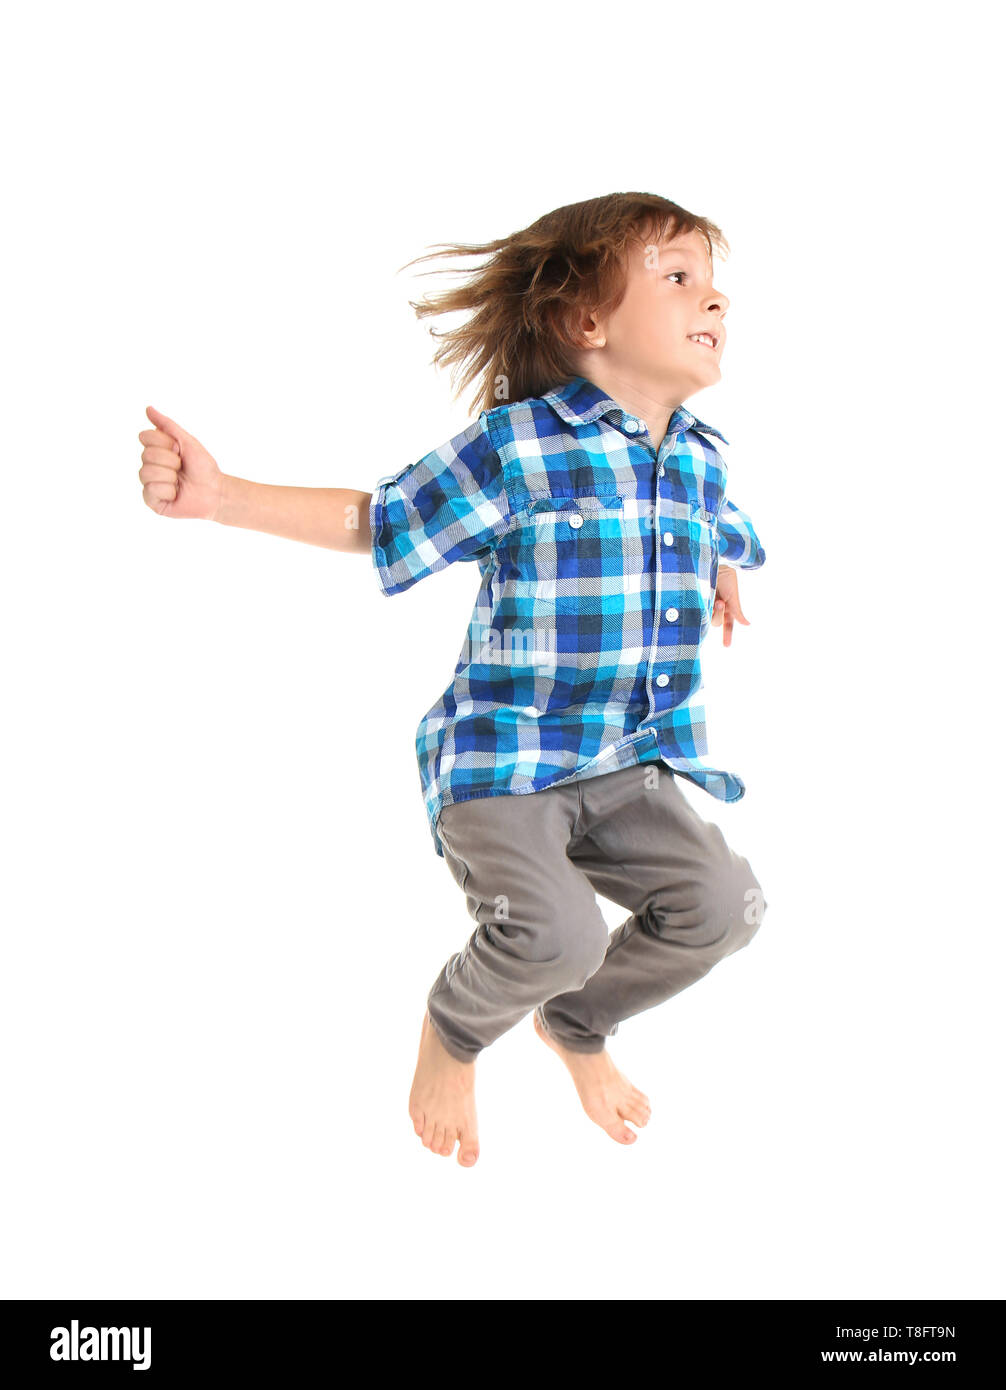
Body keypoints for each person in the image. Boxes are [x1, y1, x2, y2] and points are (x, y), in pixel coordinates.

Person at [137, 192, 768, 1171]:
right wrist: (223, 498)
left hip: (628, 761)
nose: (714, 299)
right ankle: (454, 1028)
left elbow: (708, 525)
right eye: (679, 277)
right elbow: (378, 519)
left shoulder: (699, 459)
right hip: (503, 761)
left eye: (715, 283)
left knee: (723, 907)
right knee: (555, 933)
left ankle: (575, 1026)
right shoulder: (520, 448)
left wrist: (718, 566)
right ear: (585, 322)